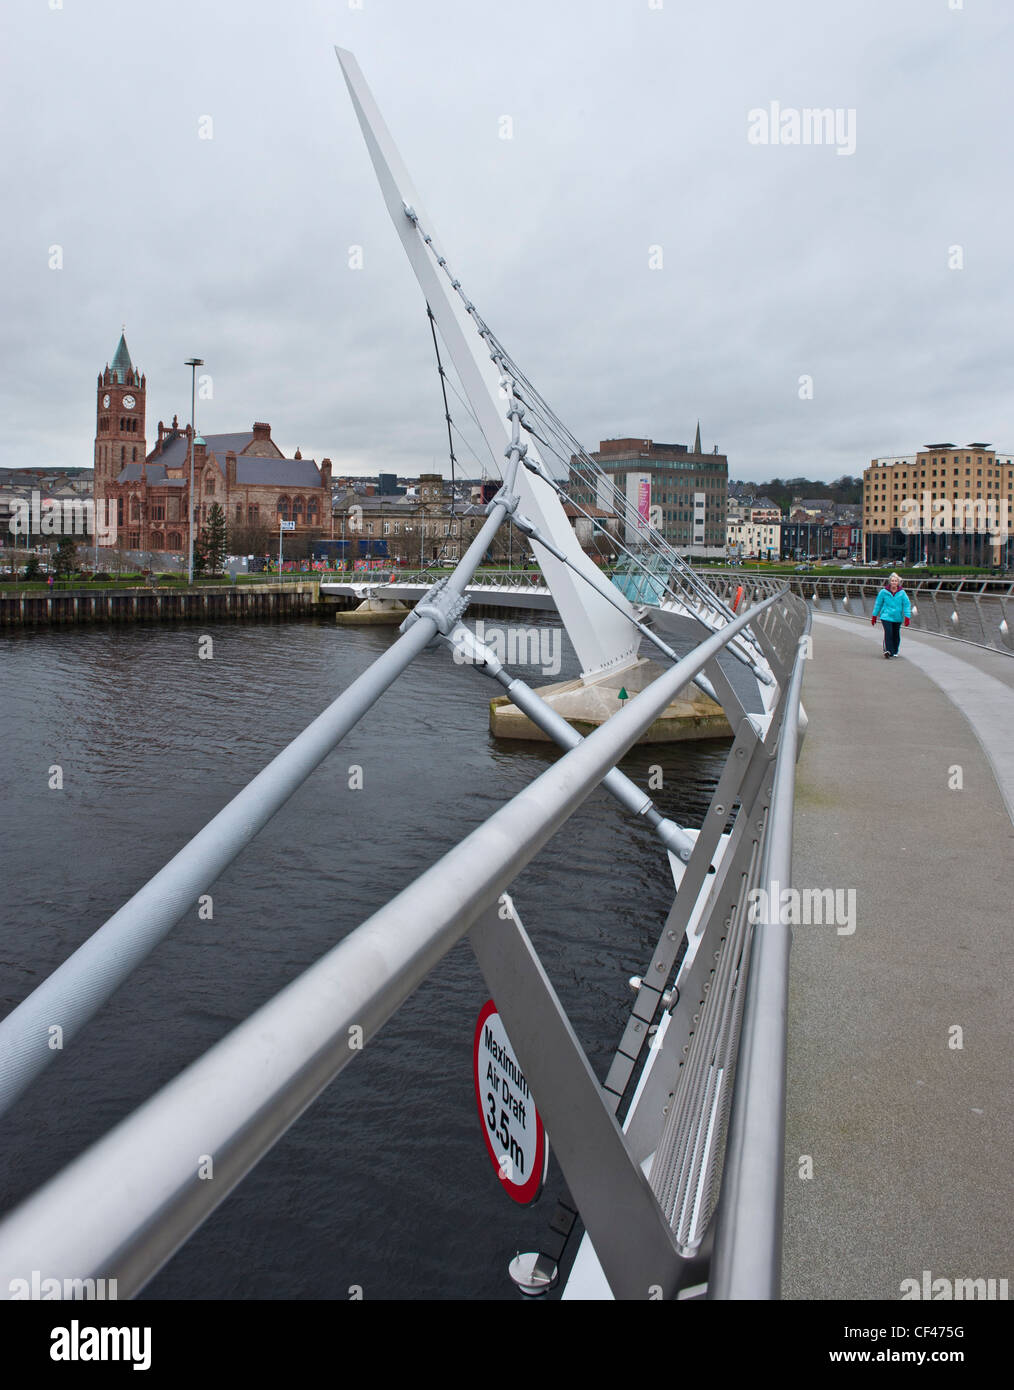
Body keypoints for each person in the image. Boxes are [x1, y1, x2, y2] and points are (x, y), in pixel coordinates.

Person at [871, 571, 912, 658]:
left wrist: (907, 617)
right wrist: (874, 616)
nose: (894, 582)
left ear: (898, 582)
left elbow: (907, 605)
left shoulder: (902, 593)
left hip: (897, 617)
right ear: (890, 582)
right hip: (886, 616)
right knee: (888, 632)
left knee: (896, 634)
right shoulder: (883, 592)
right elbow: (878, 604)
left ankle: (895, 650)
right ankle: (888, 650)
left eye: (895, 581)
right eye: (892, 581)